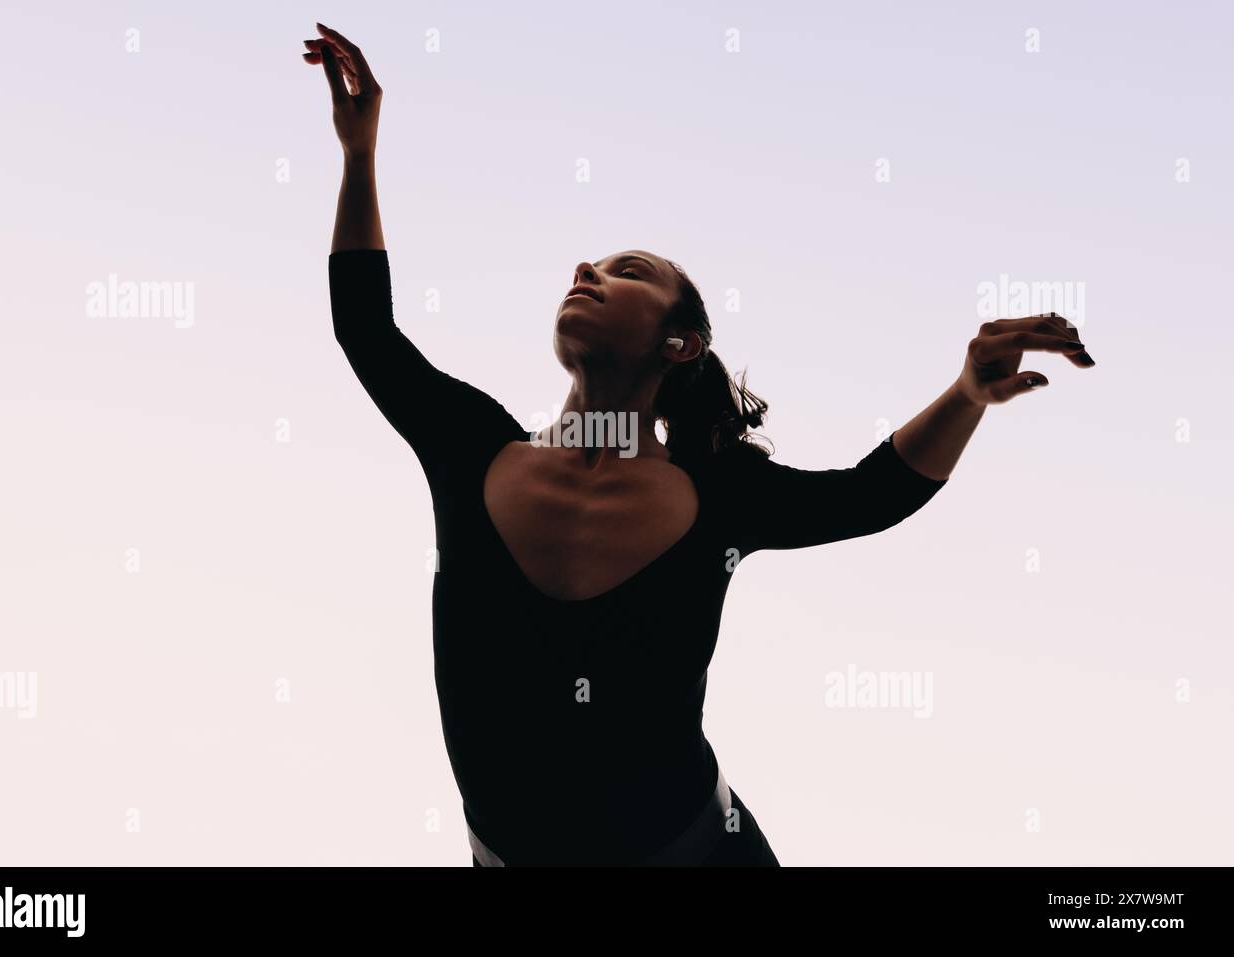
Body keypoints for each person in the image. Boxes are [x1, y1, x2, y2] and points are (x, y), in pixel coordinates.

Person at [303, 23, 1096, 867]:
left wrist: (969, 390)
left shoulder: (719, 494)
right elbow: (366, 329)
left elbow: (873, 493)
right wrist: (359, 152)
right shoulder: (471, 446)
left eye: (628, 271)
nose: (587, 271)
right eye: (591, 266)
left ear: (679, 344)